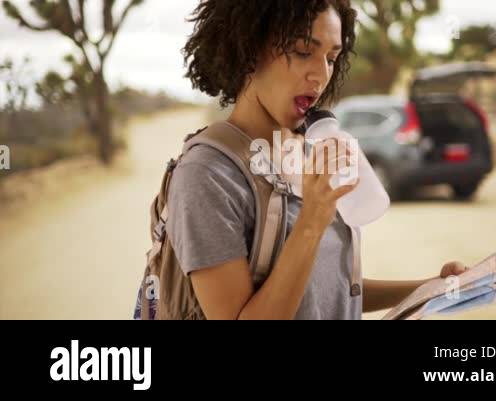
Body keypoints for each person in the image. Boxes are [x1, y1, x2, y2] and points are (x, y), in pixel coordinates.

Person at [168, 0, 467, 320]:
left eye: (331, 58)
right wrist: (311, 221)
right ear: (249, 48)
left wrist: (429, 289)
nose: (321, 74)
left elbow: (324, 289)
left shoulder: (307, 153)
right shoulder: (207, 175)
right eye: (302, 51)